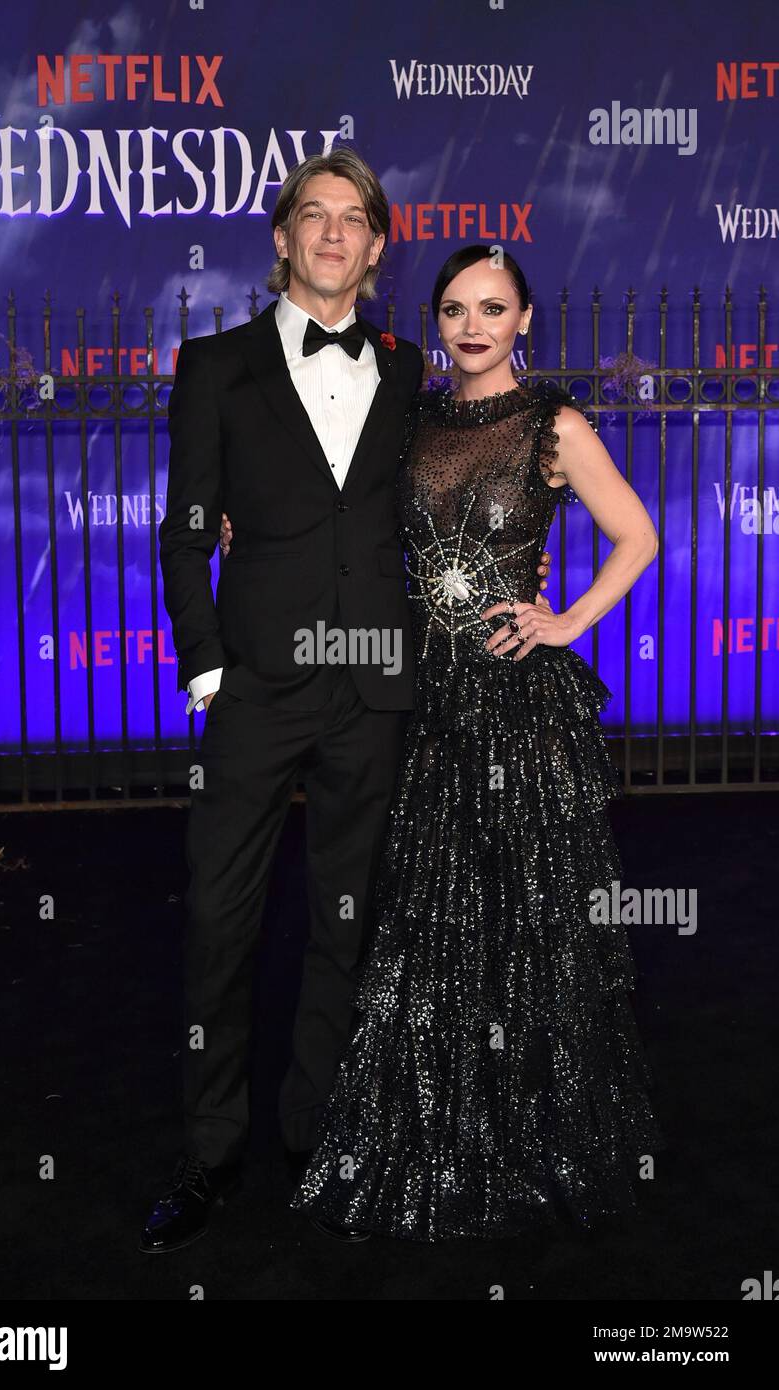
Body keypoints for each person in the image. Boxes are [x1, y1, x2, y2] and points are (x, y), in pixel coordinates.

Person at [139, 148, 555, 1254]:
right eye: (310, 216)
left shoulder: (414, 365)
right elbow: (185, 529)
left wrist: (533, 562)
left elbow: (463, 489)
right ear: (281, 240)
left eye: (352, 219)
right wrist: (211, 669)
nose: (330, 234)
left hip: (376, 689)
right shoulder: (213, 365)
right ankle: (209, 1148)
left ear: (376, 249)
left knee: (344, 926)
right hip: (255, 691)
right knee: (221, 923)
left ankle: (315, 1134)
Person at [287, 244, 665, 1242]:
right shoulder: (411, 420)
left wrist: (564, 619)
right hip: (428, 701)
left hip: (516, 702)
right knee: (435, 914)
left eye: (491, 309)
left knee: (530, 913)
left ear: (523, 320)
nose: (469, 326)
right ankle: (446, 1117)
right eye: (453, 308)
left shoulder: (552, 425)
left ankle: (533, 1126)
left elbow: (636, 533)